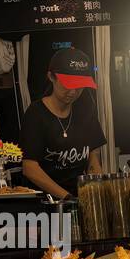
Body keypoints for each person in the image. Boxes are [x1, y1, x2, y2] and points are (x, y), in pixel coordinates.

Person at [21, 47, 107, 198]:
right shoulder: (36, 114)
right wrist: (67, 198)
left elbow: (93, 156)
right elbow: (30, 167)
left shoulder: (85, 108)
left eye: (79, 85)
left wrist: (96, 191)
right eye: (67, 84)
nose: (73, 92)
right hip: (47, 202)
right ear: (51, 77)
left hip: (81, 195)